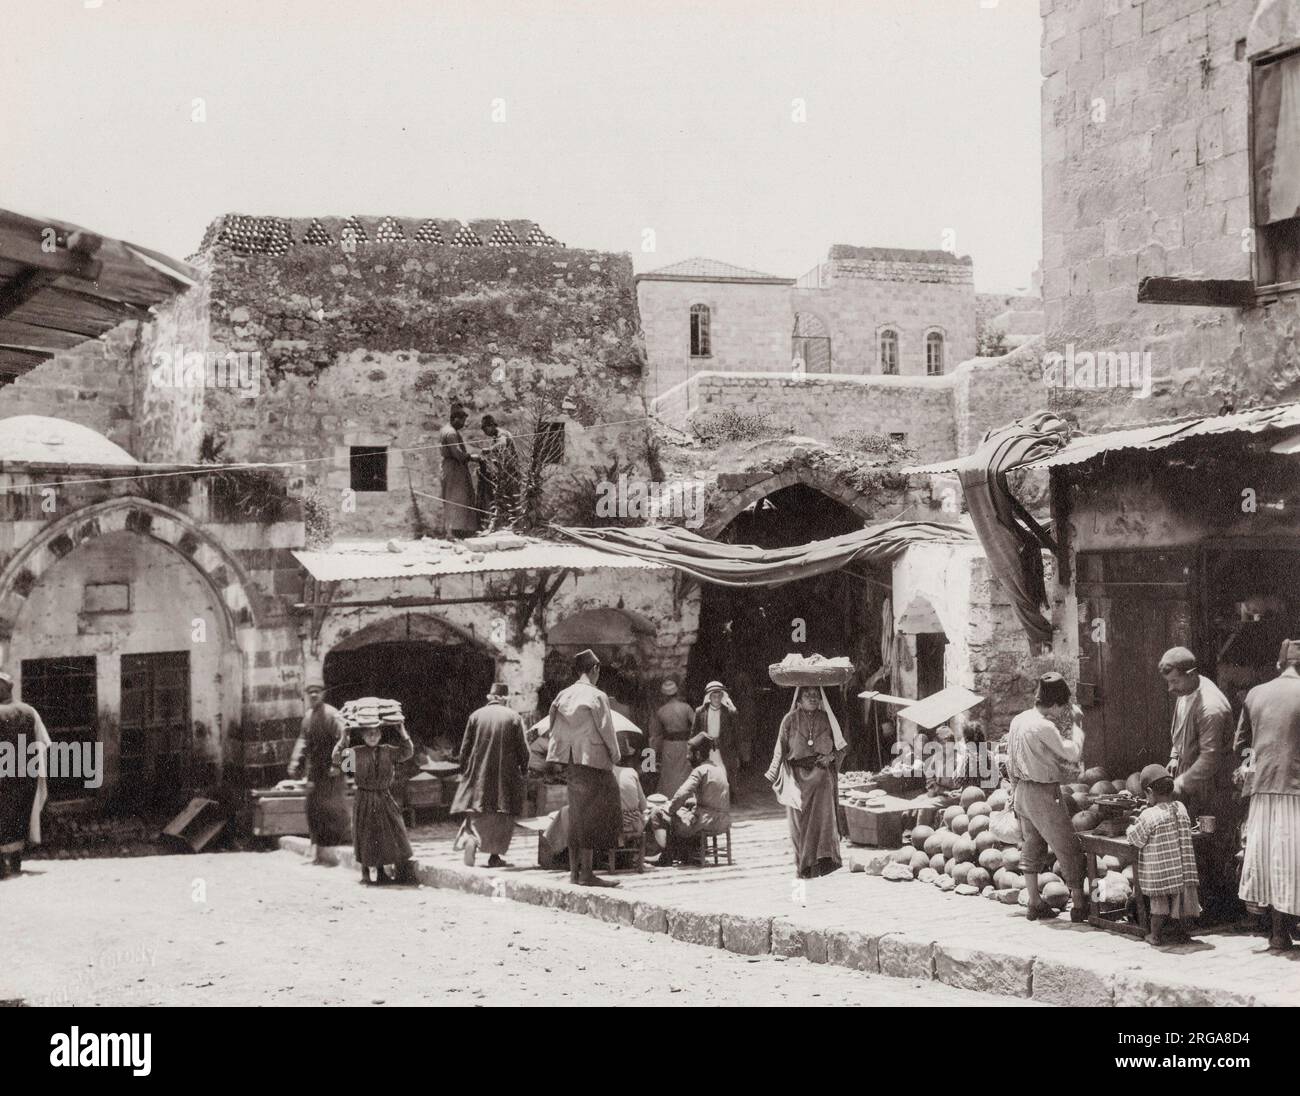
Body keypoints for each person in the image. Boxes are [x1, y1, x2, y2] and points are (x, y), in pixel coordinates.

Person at [1158, 646, 1238, 921]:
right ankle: (1197, 907)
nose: (1170, 689)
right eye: (1168, 682)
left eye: (1174, 681)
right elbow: (1179, 733)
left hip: (1213, 789)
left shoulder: (1211, 707)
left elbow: (1210, 758)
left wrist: (1179, 783)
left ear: (1192, 674)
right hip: (1192, 785)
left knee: (1212, 845)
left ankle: (1221, 912)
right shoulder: (1185, 694)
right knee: (1194, 845)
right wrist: (1174, 756)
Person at [1004, 673, 1089, 923]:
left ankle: (1034, 902)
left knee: (1032, 844)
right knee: (1068, 846)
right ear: (1054, 704)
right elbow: (1071, 753)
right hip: (1043, 793)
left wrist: (1013, 791)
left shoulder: (1018, 720)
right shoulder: (1043, 725)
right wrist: (1078, 728)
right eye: (1062, 706)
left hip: (1022, 791)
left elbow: (1010, 760)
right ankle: (1079, 905)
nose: (1062, 711)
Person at [1234, 638, 1300, 951]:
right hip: (1296, 789)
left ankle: (1277, 934)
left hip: (1262, 789)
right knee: (1293, 861)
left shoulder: (1255, 694)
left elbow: (1241, 747)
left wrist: (1255, 769)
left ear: (1279, 664)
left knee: (1273, 860)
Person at [545, 649, 622, 887]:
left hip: (572, 762)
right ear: (595, 669)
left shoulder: (563, 695)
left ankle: (573, 873)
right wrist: (616, 754)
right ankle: (587, 873)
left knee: (576, 815)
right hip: (594, 761)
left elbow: (552, 724)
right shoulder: (596, 696)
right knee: (598, 813)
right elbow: (607, 729)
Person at [765, 686, 847, 878]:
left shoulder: (827, 719)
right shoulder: (789, 719)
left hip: (821, 778)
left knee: (823, 821)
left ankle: (824, 861)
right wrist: (772, 772)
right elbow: (780, 748)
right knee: (799, 822)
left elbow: (842, 747)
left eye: (816, 695)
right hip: (797, 777)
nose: (812, 698)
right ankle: (804, 864)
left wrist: (831, 758)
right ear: (799, 699)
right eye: (807, 694)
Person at [451, 683, 529, 868]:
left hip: (479, 775)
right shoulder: (514, 717)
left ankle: (471, 840)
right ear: (505, 699)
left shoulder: (475, 715)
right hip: (505, 776)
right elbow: (523, 750)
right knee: (502, 814)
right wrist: (524, 769)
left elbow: (464, 749)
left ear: (490, 697)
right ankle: (494, 856)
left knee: (477, 810)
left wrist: (465, 771)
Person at [332, 720, 415, 886]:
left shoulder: (388, 751)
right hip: (365, 798)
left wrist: (402, 731)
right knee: (367, 834)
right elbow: (337, 760)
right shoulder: (354, 752)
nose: (372, 736)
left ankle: (386, 872)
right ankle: (367, 873)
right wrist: (344, 737)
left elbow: (407, 752)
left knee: (392, 831)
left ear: (381, 734)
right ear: (362, 735)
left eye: (376, 732)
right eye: (368, 733)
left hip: (384, 797)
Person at [1126, 763, 1201, 946]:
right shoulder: (1181, 808)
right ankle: (1182, 933)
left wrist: (1131, 825)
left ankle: (1155, 936)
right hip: (1182, 870)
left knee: (1158, 906)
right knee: (1181, 903)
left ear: (1150, 792)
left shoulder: (1148, 815)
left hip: (1161, 872)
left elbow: (1135, 839)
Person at [287, 683, 351, 862]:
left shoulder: (332, 714)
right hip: (315, 770)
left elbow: (345, 738)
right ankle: (318, 849)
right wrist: (295, 762)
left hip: (332, 770)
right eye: (310, 692)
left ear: (323, 693)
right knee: (313, 808)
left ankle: (344, 847)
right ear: (307, 695)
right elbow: (303, 741)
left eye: (317, 692)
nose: (314, 695)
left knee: (334, 807)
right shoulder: (308, 717)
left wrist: (339, 765)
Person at [0, 672, 50, 880]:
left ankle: (3, 866)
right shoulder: (29, 711)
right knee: (20, 816)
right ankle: (16, 861)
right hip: (24, 776)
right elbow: (44, 743)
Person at [654, 733, 731, 867]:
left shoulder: (700, 770)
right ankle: (687, 855)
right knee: (684, 810)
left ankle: (666, 856)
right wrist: (690, 803)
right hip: (723, 821)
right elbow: (715, 798)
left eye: (689, 754)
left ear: (698, 755)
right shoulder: (718, 769)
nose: (687, 757)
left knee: (659, 813)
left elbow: (682, 793)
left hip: (705, 822)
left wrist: (671, 809)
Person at [691, 680, 741, 802]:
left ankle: (724, 802)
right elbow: (694, 733)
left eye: (719, 696)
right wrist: (694, 751)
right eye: (714, 696)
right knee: (708, 777)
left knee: (724, 776)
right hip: (707, 751)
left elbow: (736, 733)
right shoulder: (700, 712)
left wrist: (736, 753)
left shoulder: (728, 712)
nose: (717, 699)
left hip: (724, 750)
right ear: (709, 697)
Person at [648, 678, 694, 800]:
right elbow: (696, 725)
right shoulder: (686, 707)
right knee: (684, 772)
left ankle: (669, 797)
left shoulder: (661, 711)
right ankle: (685, 797)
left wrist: (654, 751)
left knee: (669, 774)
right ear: (676, 693)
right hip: (684, 744)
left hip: (668, 745)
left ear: (664, 695)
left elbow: (656, 733)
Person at [439, 405, 479, 538]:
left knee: (457, 499)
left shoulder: (447, 430)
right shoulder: (450, 433)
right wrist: (471, 457)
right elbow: (457, 453)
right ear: (455, 418)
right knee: (455, 499)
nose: (463, 424)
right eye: (462, 421)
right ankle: (452, 532)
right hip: (454, 469)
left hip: (453, 467)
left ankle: (458, 531)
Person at [477, 414, 520, 531]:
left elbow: (502, 444)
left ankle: (517, 525)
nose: (485, 432)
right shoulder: (495, 436)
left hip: (511, 471)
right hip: (505, 471)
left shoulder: (501, 434)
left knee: (513, 497)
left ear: (491, 426)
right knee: (505, 497)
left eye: (485, 429)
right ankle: (509, 524)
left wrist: (489, 449)